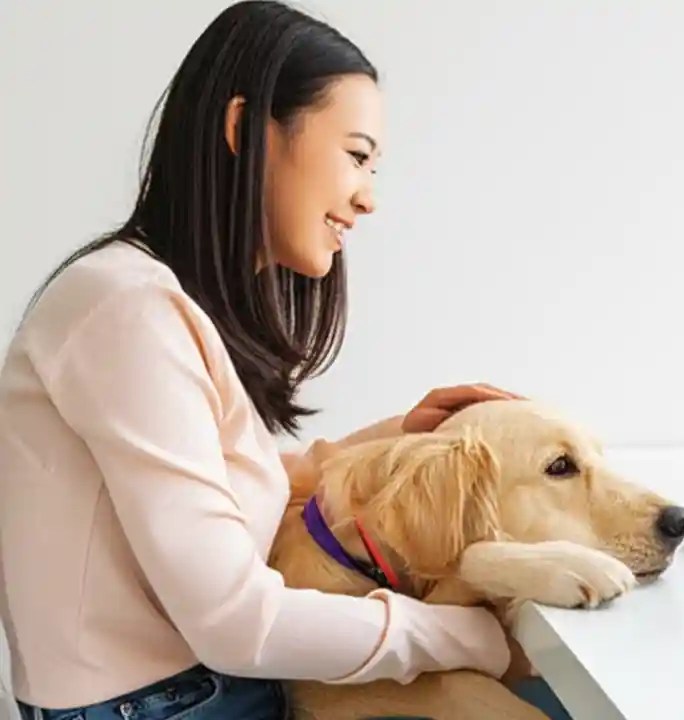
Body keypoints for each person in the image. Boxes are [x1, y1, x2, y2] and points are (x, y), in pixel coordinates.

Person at [0, 3, 570, 719]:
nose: (368, 197)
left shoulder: (154, 303)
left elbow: (235, 488)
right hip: (167, 704)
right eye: (356, 156)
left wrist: (397, 437)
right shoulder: (124, 309)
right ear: (244, 129)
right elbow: (236, 621)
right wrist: (469, 638)